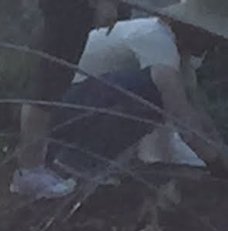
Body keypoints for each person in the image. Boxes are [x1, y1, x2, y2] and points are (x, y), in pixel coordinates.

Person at [46, 0, 228, 184]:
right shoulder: (156, 39)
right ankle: (75, 163)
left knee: (157, 95)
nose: (211, 43)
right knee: (151, 91)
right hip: (65, 108)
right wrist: (216, 165)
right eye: (209, 36)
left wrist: (220, 151)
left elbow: (196, 112)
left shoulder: (180, 59)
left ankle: (91, 163)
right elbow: (181, 116)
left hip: (81, 108)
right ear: (192, 29)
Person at [17, 0, 116, 197]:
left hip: (73, 9)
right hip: (71, 8)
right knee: (48, 86)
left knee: (55, 84)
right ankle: (30, 171)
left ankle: (39, 167)